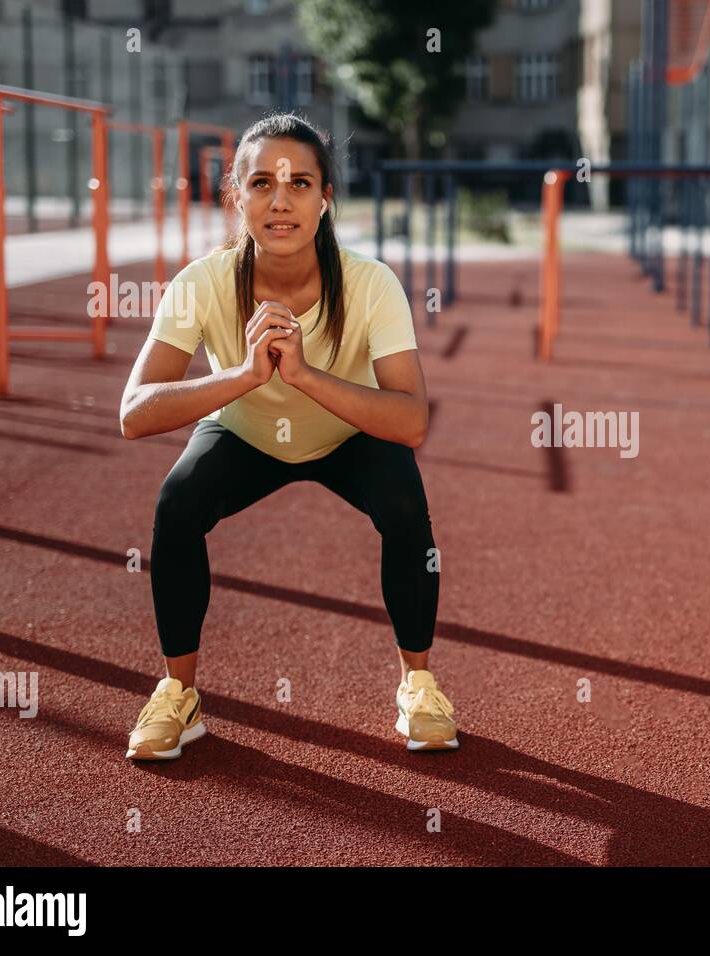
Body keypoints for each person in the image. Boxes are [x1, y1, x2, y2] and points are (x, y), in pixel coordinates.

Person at [118, 113, 457, 759]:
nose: (280, 201)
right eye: (261, 184)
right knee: (177, 505)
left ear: (326, 198)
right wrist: (246, 376)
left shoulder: (369, 283)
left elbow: (411, 420)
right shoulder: (202, 283)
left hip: (347, 433)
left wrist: (303, 375)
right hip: (243, 430)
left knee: (406, 504)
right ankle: (178, 694)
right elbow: (134, 413)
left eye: (300, 183)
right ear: (236, 197)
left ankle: (418, 682)